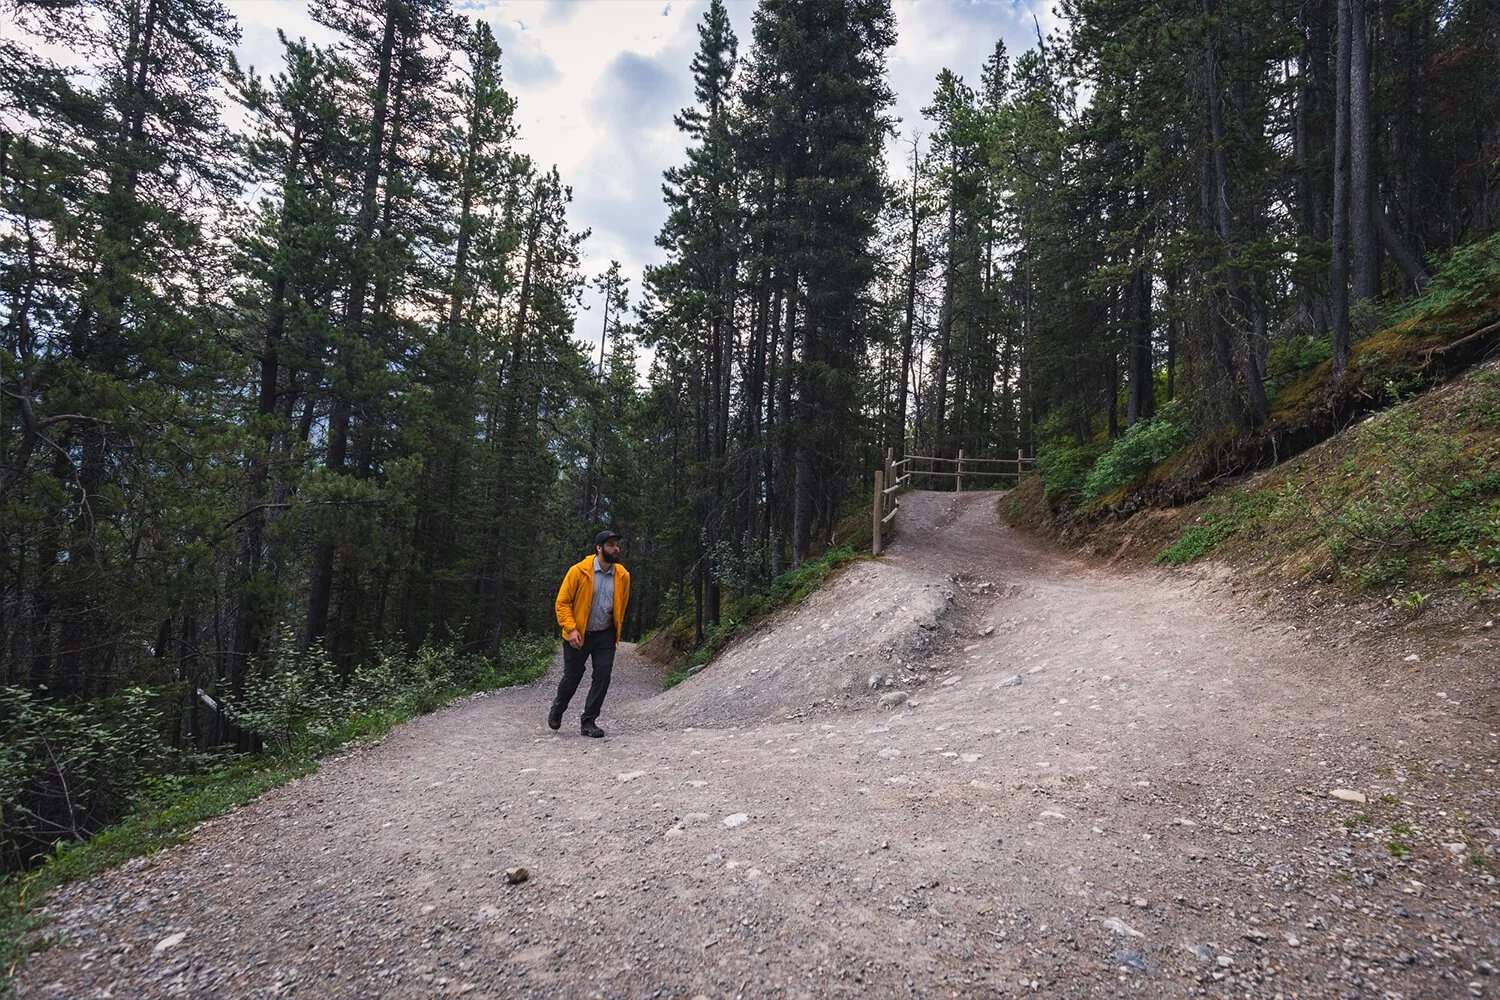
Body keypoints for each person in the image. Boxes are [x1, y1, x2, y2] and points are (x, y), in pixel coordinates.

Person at [549, 530, 631, 737]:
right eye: (611, 545)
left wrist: (615, 629)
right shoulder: (578, 571)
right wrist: (571, 628)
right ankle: (558, 708)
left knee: (603, 676)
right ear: (599, 548)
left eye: (617, 545)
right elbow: (562, 603)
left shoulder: (623, 575)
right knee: (573, 676)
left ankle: (589, 721)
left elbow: (622, 603)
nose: (616, 548)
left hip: (605, 633)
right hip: (578, 633)